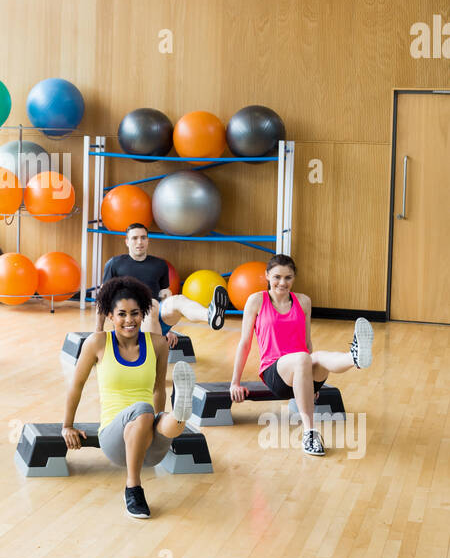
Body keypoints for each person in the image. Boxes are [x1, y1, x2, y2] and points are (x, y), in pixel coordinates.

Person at [64, 276, 196, 519]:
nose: (129, 320)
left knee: (165, 417)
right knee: (143, 408)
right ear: (110, 316)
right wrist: (67, 426)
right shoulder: (98, 342)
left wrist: (157, 421)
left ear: (143, 313)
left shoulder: (158, 344)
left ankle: (179, 414)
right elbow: (77, 385)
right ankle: (133, 488)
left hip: (150, 445)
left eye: (135, 313)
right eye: (122, 314)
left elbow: (159, 388)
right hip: (114, 441)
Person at [229, 253, 373, 457]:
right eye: (277, 277)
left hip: (302, 370)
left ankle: (354, 357)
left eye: (288, 277)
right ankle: (310, 433)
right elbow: (244, 344)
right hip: (275, 373)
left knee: (318, 356)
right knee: (303, 358)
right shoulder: (257, 301)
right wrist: (235, 382)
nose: (282, 282)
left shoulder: (303, 301)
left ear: (294, 278)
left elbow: (307, 343)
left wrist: (307, 381)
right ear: (267, 275)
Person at [95, 221, 227, 345]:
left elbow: (165, 296)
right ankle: (150, 354)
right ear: (127, 242)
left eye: (143, 238)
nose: (139, 242)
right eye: (134, 238)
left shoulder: (159, 264)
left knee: (178, 300)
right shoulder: (115, 263)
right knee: (151, 305)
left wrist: (168, 330)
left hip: (157, 315)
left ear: (148, 240)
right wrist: (98, 331)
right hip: (129, 321)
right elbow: (103, 299)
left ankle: (210, 315)